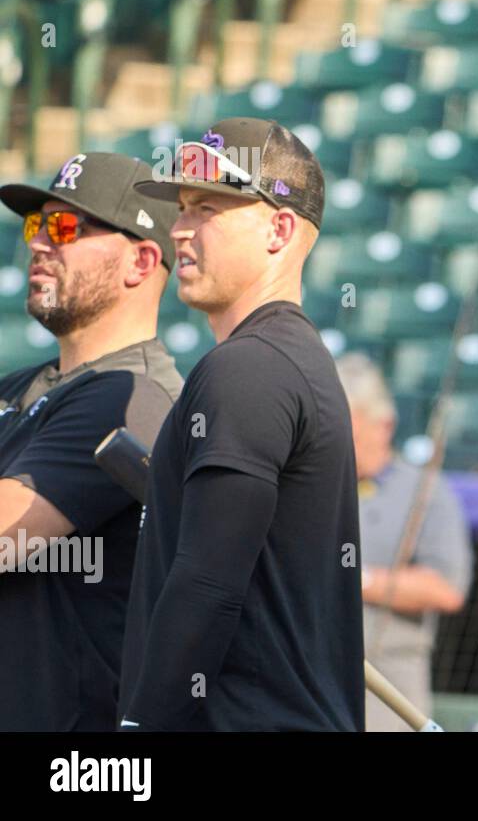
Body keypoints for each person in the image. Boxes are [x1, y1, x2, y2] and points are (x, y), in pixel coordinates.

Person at [117, 118, 364, 731]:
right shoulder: (282, 358)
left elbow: (206, 586)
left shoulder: (250, 367)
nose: (179, 228)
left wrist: (136, 738)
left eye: (206, 208)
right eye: (180, 209)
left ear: (279, 228)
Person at [0, 152, 181, 730]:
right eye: (37, 225)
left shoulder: (136, 394)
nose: (39, 243)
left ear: (141, 260)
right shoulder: (18, 385)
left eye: (66, 227)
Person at [336, 352, 473, 732]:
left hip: (389, 686)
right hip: (310, 679)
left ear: (383, 424)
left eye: (347, 422)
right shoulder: (310, 486)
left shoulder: (426, 489)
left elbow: (446, 588)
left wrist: (354, 579)